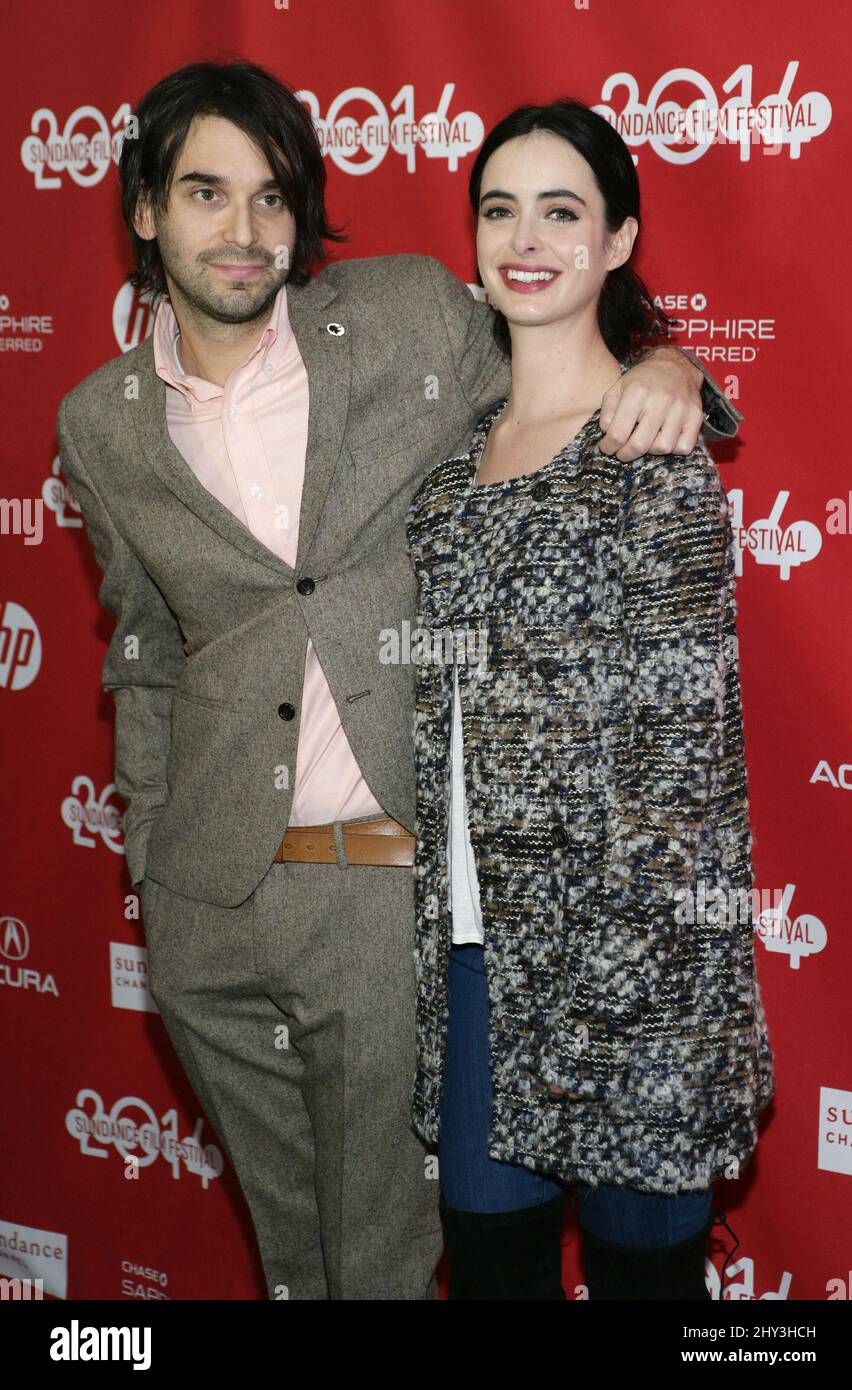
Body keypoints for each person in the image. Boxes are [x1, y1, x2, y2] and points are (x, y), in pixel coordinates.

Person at [57, 60, 740, 1301]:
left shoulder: (402, 322)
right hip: (216, 906)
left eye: (271, 198)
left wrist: (674, 362)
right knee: (297, 1255)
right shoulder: (98, 423)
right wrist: (152, 861)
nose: (244, 228)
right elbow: (142, 645)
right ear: (145, 210)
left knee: (391, 1258)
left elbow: (564, 331)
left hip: (387, 898)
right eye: (206, 193)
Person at [405, 98, 775, 1301]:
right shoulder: (451, 469)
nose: (525, 237)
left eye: (560, 211)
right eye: (499, 208)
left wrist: (603, 1001)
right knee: (491, 1266)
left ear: (617, 238)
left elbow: (682, 771)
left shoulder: (649, 452)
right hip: (475, 952)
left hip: (634, 974)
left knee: (644, 1292)